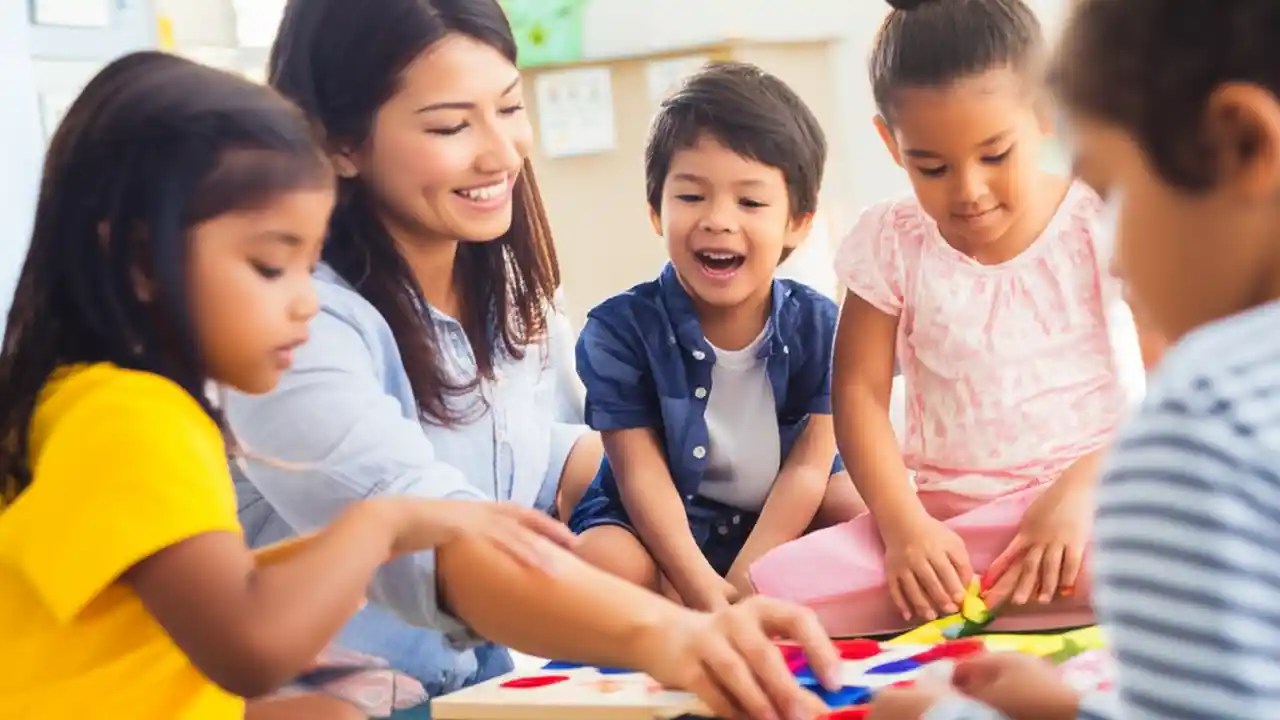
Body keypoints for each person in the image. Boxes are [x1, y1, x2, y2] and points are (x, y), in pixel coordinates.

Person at [0, 50, 846, 720]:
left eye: (510, 109)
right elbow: (250, 640)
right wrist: (386, 522)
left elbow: (213, 607)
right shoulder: (129, 418)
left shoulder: (122, 408)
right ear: (143, 260)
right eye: (269, 267)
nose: (304, 303)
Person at [871, 1, 1280, 718]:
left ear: (1241, 145)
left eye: (1113, 193)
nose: (1113, 253)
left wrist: (946, 715)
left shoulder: (1200, 434)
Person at [224, 0, 601, 691]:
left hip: (470, 688)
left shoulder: (505, 280)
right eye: (451, 125)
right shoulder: (296, 325)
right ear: (339, 143)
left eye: (510, 108)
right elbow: (433, 543)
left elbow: (532, 446)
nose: (502, 151)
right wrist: (671, 636)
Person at [749, 0, 1147, 637]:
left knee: (1166, 549)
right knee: (782, 587)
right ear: (890, 141)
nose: (968, 190)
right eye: (931, 166)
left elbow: (1167, 379)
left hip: (1087, 505)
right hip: (946, 529)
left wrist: (1075, 493)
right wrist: (905, 527)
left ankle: (1023, 594)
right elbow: (857, 393)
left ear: (1045, 111)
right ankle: (1014, 596)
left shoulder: (1093, 217)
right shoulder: (891, 238)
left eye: (995, 155)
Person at [569, 62, 861, 609]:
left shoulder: (822, 327)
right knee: (604, 561)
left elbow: (807, 468)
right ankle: (669, 604)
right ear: (656, 210)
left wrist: (747, 581)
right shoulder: (618, 331)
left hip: (779, 513)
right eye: (691, 197)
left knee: (859, 509)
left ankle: (765, 597)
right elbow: (640, 474)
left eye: (750, 202)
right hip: (657, 525)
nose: (718, 220)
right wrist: (703, 588)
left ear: (798, 221)